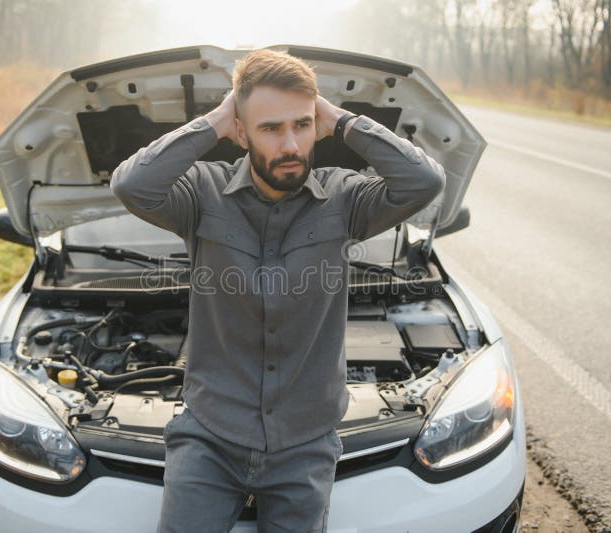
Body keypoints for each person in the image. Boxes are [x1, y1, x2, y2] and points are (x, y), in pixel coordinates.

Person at [110, 48, 446, 533]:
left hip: (305, 444)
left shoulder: (347, 198)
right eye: (270, 128)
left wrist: (340, 119)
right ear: (241, 132)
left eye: (302, 125)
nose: (291, 144)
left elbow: (424, 180)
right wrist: (214, 121)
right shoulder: (201, 195)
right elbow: (132, 185)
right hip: (210, 437)